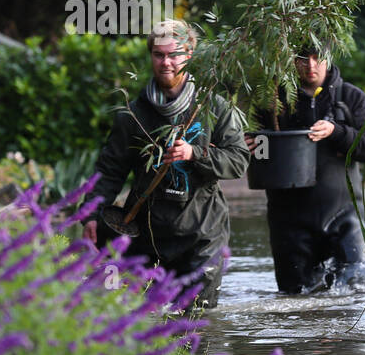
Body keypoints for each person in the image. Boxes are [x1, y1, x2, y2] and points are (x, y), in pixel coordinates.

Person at [82, 20, 249, 313]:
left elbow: (238, 161)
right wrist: (91, 214)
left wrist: (194, 153)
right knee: (146, 324)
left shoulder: (215, 107)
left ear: (190, 55)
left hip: (203, 236)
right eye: (158, 55)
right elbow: (109, 171)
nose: (166, 62)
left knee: (200, 323)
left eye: (174, 54)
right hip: (147, 236)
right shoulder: (132, 116)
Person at [245, 47, 365, 293]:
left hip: (344, 218)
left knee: (354, 296)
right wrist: (253, 146)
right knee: (294, 301)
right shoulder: (273, 101)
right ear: (291, 60)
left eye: (318, 57)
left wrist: (336, 131)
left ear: (330, 57)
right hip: (289, 222)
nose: (311, 65)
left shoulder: (351, 98)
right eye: (303, 58)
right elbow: (249, 157)